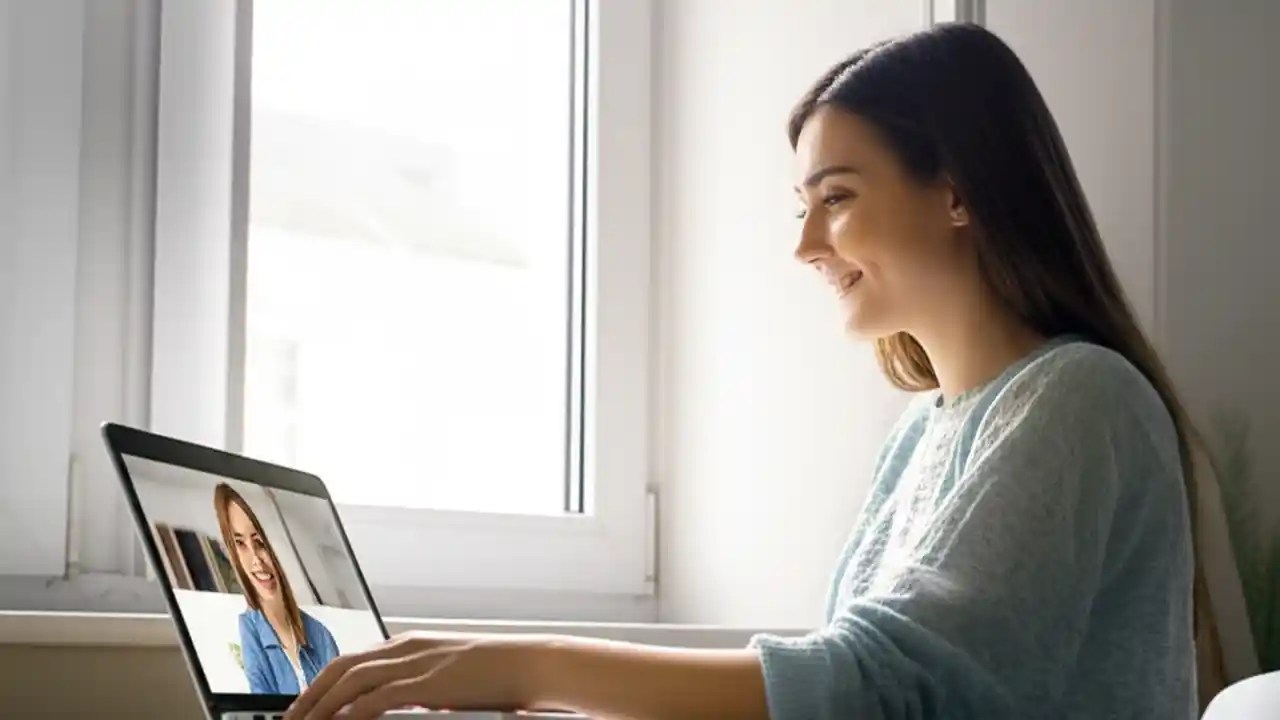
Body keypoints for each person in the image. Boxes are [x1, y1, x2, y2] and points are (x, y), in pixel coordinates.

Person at [286, 23, 1222, 719]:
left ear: (957, 191)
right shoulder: (924, 435)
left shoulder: (1082, 400)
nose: (807, 244)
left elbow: (886, 684)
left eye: (838, 199)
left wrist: (528, 665)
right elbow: (849, 682)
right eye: (801, 207)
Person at [213, 483, 341, 694]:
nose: (256, 560)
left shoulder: (320, 635)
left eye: (260, 542)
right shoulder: (248, 631)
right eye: (240, 544)